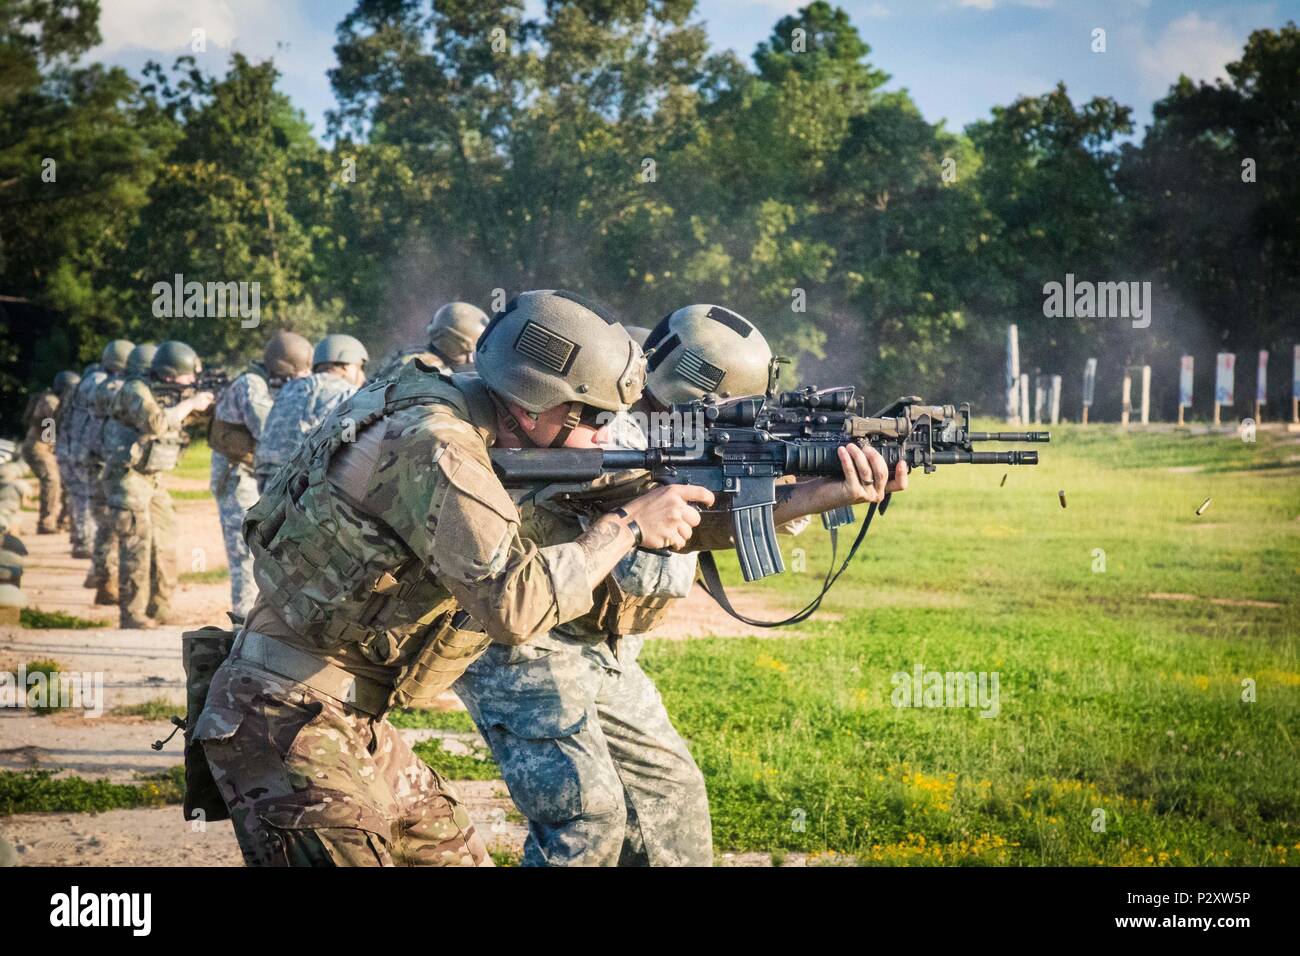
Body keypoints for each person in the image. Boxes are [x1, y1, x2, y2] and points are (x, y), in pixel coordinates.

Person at [195, 289, 714, 867]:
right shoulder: (438, 446)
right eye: (592, 415)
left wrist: (812, 491)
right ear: (533, 404)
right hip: (284, 716)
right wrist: (624, 529)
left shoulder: (447, 407)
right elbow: (513, 609)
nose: (602, 432)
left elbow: (633, 493)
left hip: (348, 715)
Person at [453, 301, 884, 866]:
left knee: (672, 799)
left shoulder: (674, 431)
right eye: (728, 406)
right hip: (523, 641)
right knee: (589, 820)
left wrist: (815, 487)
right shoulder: (598, 425)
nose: (734, 418)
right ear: (694, 390)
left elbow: (699, 523)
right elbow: (643, 534)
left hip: (601, 649)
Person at [102, 341, 213, 629]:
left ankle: (160, 606)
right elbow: (156, 423)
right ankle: (133, 613)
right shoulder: (134, 390)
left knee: (165, 539)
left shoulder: (162, 392)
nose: (191, 381)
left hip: (152, 479)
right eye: (188, 375)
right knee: (138, 543)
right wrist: (190, 404)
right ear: (170, 375)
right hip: (126, 477)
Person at [209, 330, 312, 618]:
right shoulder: (251, 385)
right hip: (238, 478)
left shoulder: (267, 382)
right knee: (246, 551)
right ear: (284, 368)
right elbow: (268, 430)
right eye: (302, 370)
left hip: (253, 476)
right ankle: (241, 624)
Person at [253, 334, 368, 491]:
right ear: (346, 366)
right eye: (361, 368)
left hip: (269, 486)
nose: (363, 376)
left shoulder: (289, 389)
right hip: (307, 491)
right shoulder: (348, 394)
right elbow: (352, 452)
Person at [69, 339, 134, 600]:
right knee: (110, 520)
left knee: (104, 519)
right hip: (102, 459)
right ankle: (106, 582)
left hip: (89, 455)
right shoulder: (108, 385)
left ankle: (99, 574)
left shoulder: (90, 380)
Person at [372, 301, 489, 380]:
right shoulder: (427, 369)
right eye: (466, 352)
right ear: (449, 343)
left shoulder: (413, 353)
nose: (470, 359)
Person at [20, 372, 76, 534]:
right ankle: (46, 523)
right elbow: (54, 426)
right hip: (37, 447)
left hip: (45, 446)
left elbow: (51, 431)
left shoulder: (54, 400)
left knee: (64, 481)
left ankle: (63, 521)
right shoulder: (50, 401)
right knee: (52, 480)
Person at [51, 369, 81, 543]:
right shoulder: (53, 403)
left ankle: (65, 521)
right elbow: (48, 429)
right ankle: (65, 522)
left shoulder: (63, 404)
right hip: (63, 452)